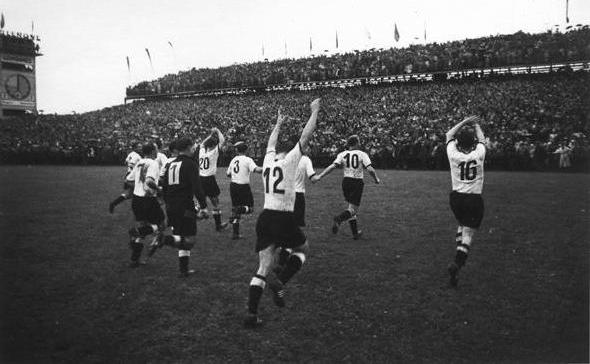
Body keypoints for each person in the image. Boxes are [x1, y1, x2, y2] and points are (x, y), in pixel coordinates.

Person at [244, 99, 320, 328]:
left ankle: (251, 312)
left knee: (263, 266)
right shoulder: (290, 161)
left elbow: (270, 143)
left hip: (265, 217)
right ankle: (281, 280)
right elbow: (305, 137)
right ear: (289, 152)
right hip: (284, 217)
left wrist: (277, 123)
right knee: (303, 249)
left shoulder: (267, 161)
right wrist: (314, 112)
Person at [157, 137, 209, 278]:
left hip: (171, 206)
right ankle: (165, 240)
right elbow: (197, 187)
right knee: (190, 241)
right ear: (187, 148)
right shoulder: (191, 164)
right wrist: (203, 206)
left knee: (181, 238)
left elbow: (165, 188)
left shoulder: (170, 164)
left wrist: (167, 205)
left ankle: (183, 270)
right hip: (185, 206)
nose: (194, 149)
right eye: (193, 147)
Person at [313, 135, 380, 240]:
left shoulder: (342, 154)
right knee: (353, 210)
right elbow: (370, 169)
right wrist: (376, 179)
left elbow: (332, 166)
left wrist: (320, 176)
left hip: (346, 182)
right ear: (356, 143)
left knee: (350, 208)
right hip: (357, 182)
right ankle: (339, 219)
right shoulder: (362, 154)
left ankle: (355, 234)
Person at [445, 115, 486, 287]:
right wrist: (475, 124)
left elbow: (448, 135)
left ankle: (459, 254)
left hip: (456, 198)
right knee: (468, 233)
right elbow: (483, 139)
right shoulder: (479, 153)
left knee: (462, 225)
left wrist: (464, 121)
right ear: (474, 142)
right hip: (473, 198)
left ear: (458, 143)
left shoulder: (453, 154)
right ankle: (458, 262)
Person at [276, 144, 315, 271]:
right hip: (297, 195)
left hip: (285, 194)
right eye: (308, 147)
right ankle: (284, 258)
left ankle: (282, 256)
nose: (309, 149)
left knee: (287, 225)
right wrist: (319, 177)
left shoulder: (287, 157)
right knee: (294, 227)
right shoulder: (305, 159)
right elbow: (312, 177)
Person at [127, 143, 165, 267]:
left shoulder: (140, 162)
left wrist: (137, 188)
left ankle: (134, 260)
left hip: (137, 199)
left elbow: (128, 180)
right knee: (161, 225)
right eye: (157, 149)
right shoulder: (153, 163)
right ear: (153, 151)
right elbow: (149, 181)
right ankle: (136, 231)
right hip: (147, 199)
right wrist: (159, 189)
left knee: (143, 226)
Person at [226, 141, 262, 239]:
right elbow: (256, 169)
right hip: (243, 187)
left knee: (235, 210)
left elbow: (228, 174)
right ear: (246, 150)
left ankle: (235, 234)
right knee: (250, 209)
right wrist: (268, 169)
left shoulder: (233, 160)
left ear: (237, 150)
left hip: (233, 186)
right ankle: (239, 210)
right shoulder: (248, 160)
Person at [199, 127, 228, 231]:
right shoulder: (213, 153)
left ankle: (200, 212)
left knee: (202, 201)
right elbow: (223, 141)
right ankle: (218, 225)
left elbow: (202, 143)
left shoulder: (201, 152)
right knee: (215, 202)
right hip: (209, 180)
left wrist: (210, 136)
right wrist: (218, 130)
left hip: (200, 178)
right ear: (212, 146)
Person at [109, 143, 141, 213]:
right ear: (135, 148)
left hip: (129, 175)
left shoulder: (130, 154)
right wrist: (134, 172)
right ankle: (139, 210)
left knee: (130, 194)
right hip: (133, 177)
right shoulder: (136, 156)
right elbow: (131, 164)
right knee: (138, 192)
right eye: (139, 147)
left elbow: (126, 162)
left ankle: (114, 203)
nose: (140, 148)